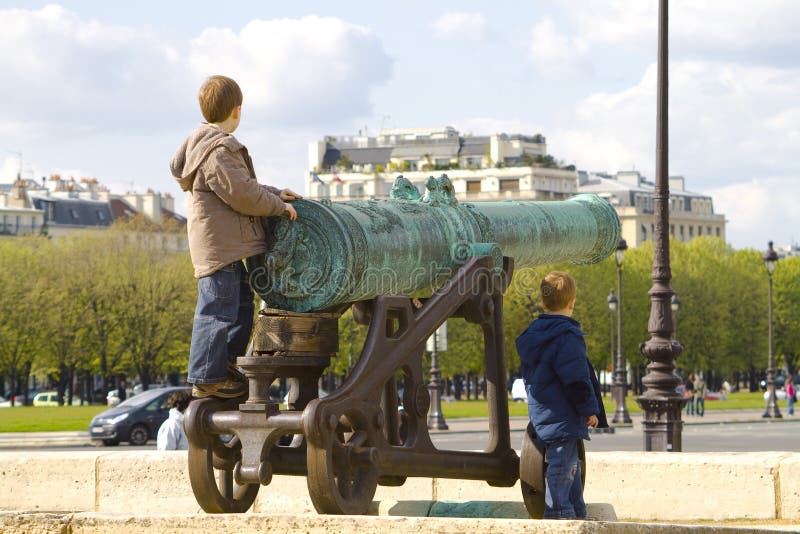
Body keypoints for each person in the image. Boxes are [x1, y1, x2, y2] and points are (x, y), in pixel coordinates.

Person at [170, 75, 302, 399]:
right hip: (220, 249)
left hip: (223, 246)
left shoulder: (206, 147)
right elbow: (241, 194)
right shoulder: (218, 149)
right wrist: (278, 208)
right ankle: (206, 376)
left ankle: (225, 365)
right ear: (236, 111)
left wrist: (274, 192)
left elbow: (239, 187)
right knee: (217, 310)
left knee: (241, 303)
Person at [516, 271, 608, 520]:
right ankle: (558, 512)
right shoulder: (567, 337)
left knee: (571, 464)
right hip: (564, 414)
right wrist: (589, 409)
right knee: (562, 466)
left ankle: (577, 510)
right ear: (572, 302)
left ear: (543, 303)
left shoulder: (534, 336)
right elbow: (577, 378)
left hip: (543, 411)